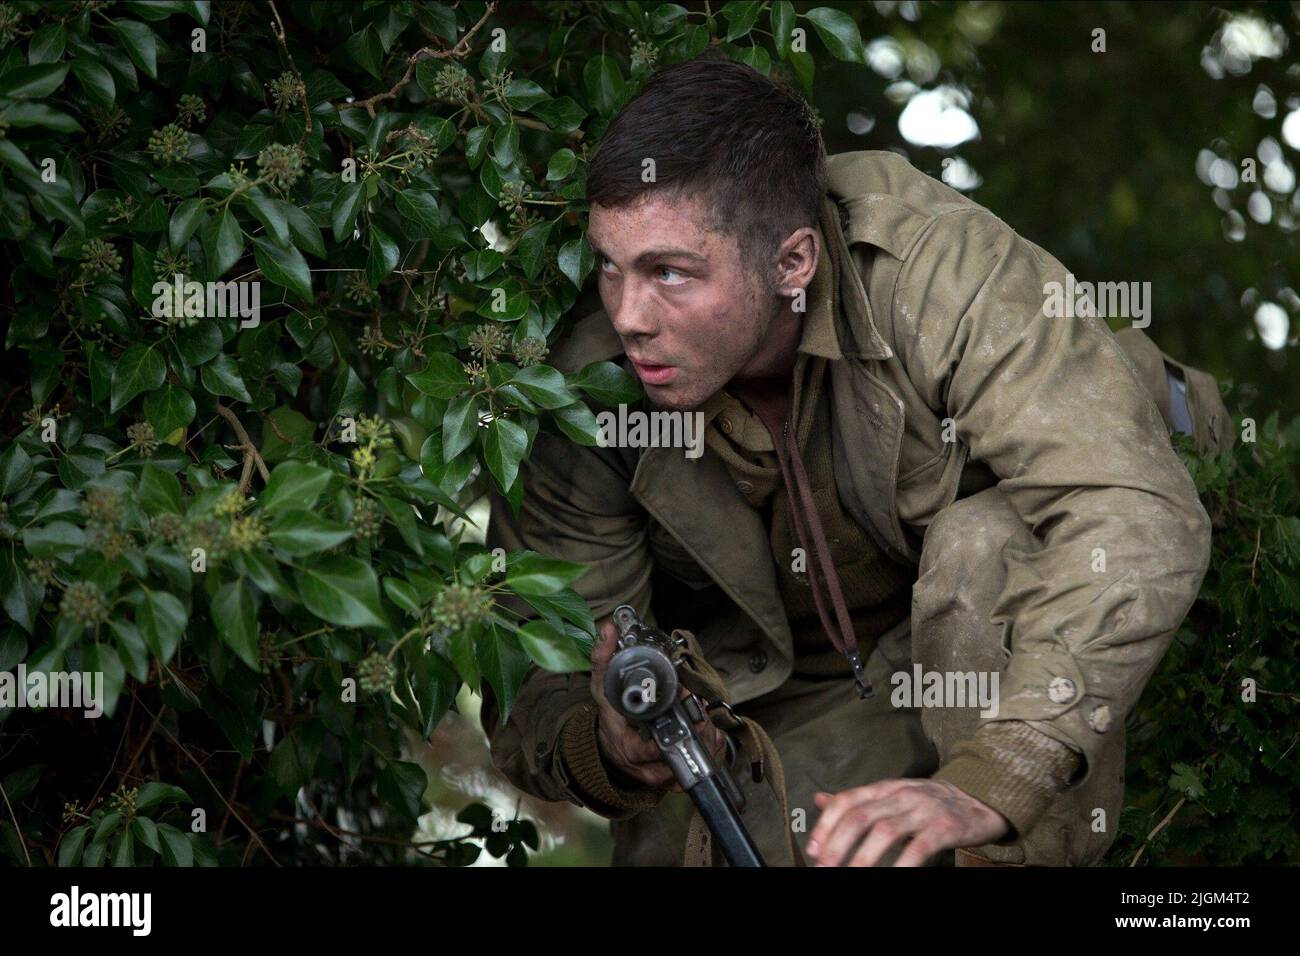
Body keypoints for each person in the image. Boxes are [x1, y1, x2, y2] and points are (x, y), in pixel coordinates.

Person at [481, 54, 1231, 867]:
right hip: (817, 669)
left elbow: (1129, 510)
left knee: (982, 550)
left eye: (670, 273)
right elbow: (533, 674)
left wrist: (995, 778)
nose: (629, 315)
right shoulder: (585, 392)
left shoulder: (938, 272)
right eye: (610, 267)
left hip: (992, 582)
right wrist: (611, 744)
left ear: (792, 263)